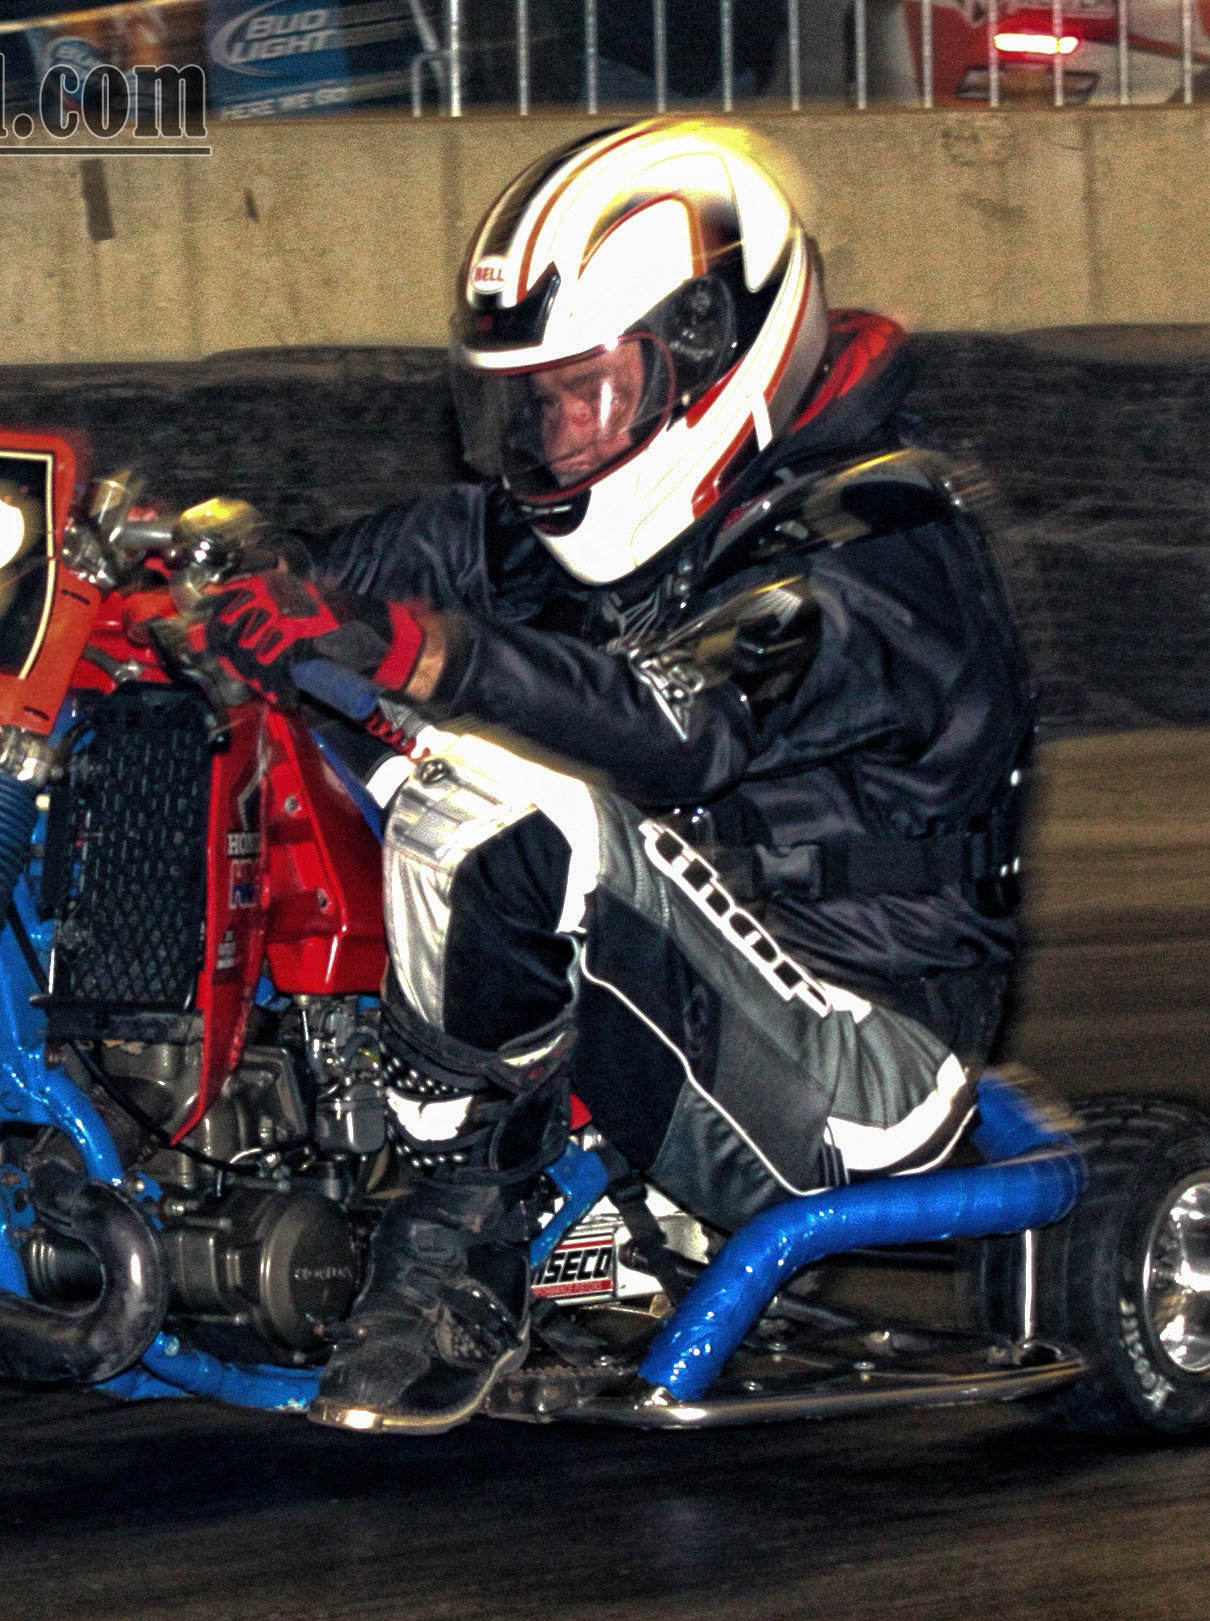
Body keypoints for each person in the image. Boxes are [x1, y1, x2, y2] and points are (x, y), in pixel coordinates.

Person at [180, 117, 1035, 1434]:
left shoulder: (878, 541)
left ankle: (466, 1237)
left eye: (589, 391)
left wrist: (420, 651)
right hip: (669, 1010)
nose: (560, 437)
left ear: (706, 353)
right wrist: (231, 596)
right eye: (531, 402)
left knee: (492, 790)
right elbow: (344, 582)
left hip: (858, 1057)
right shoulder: (542, 527)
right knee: (271, 732)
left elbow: (681, 726)